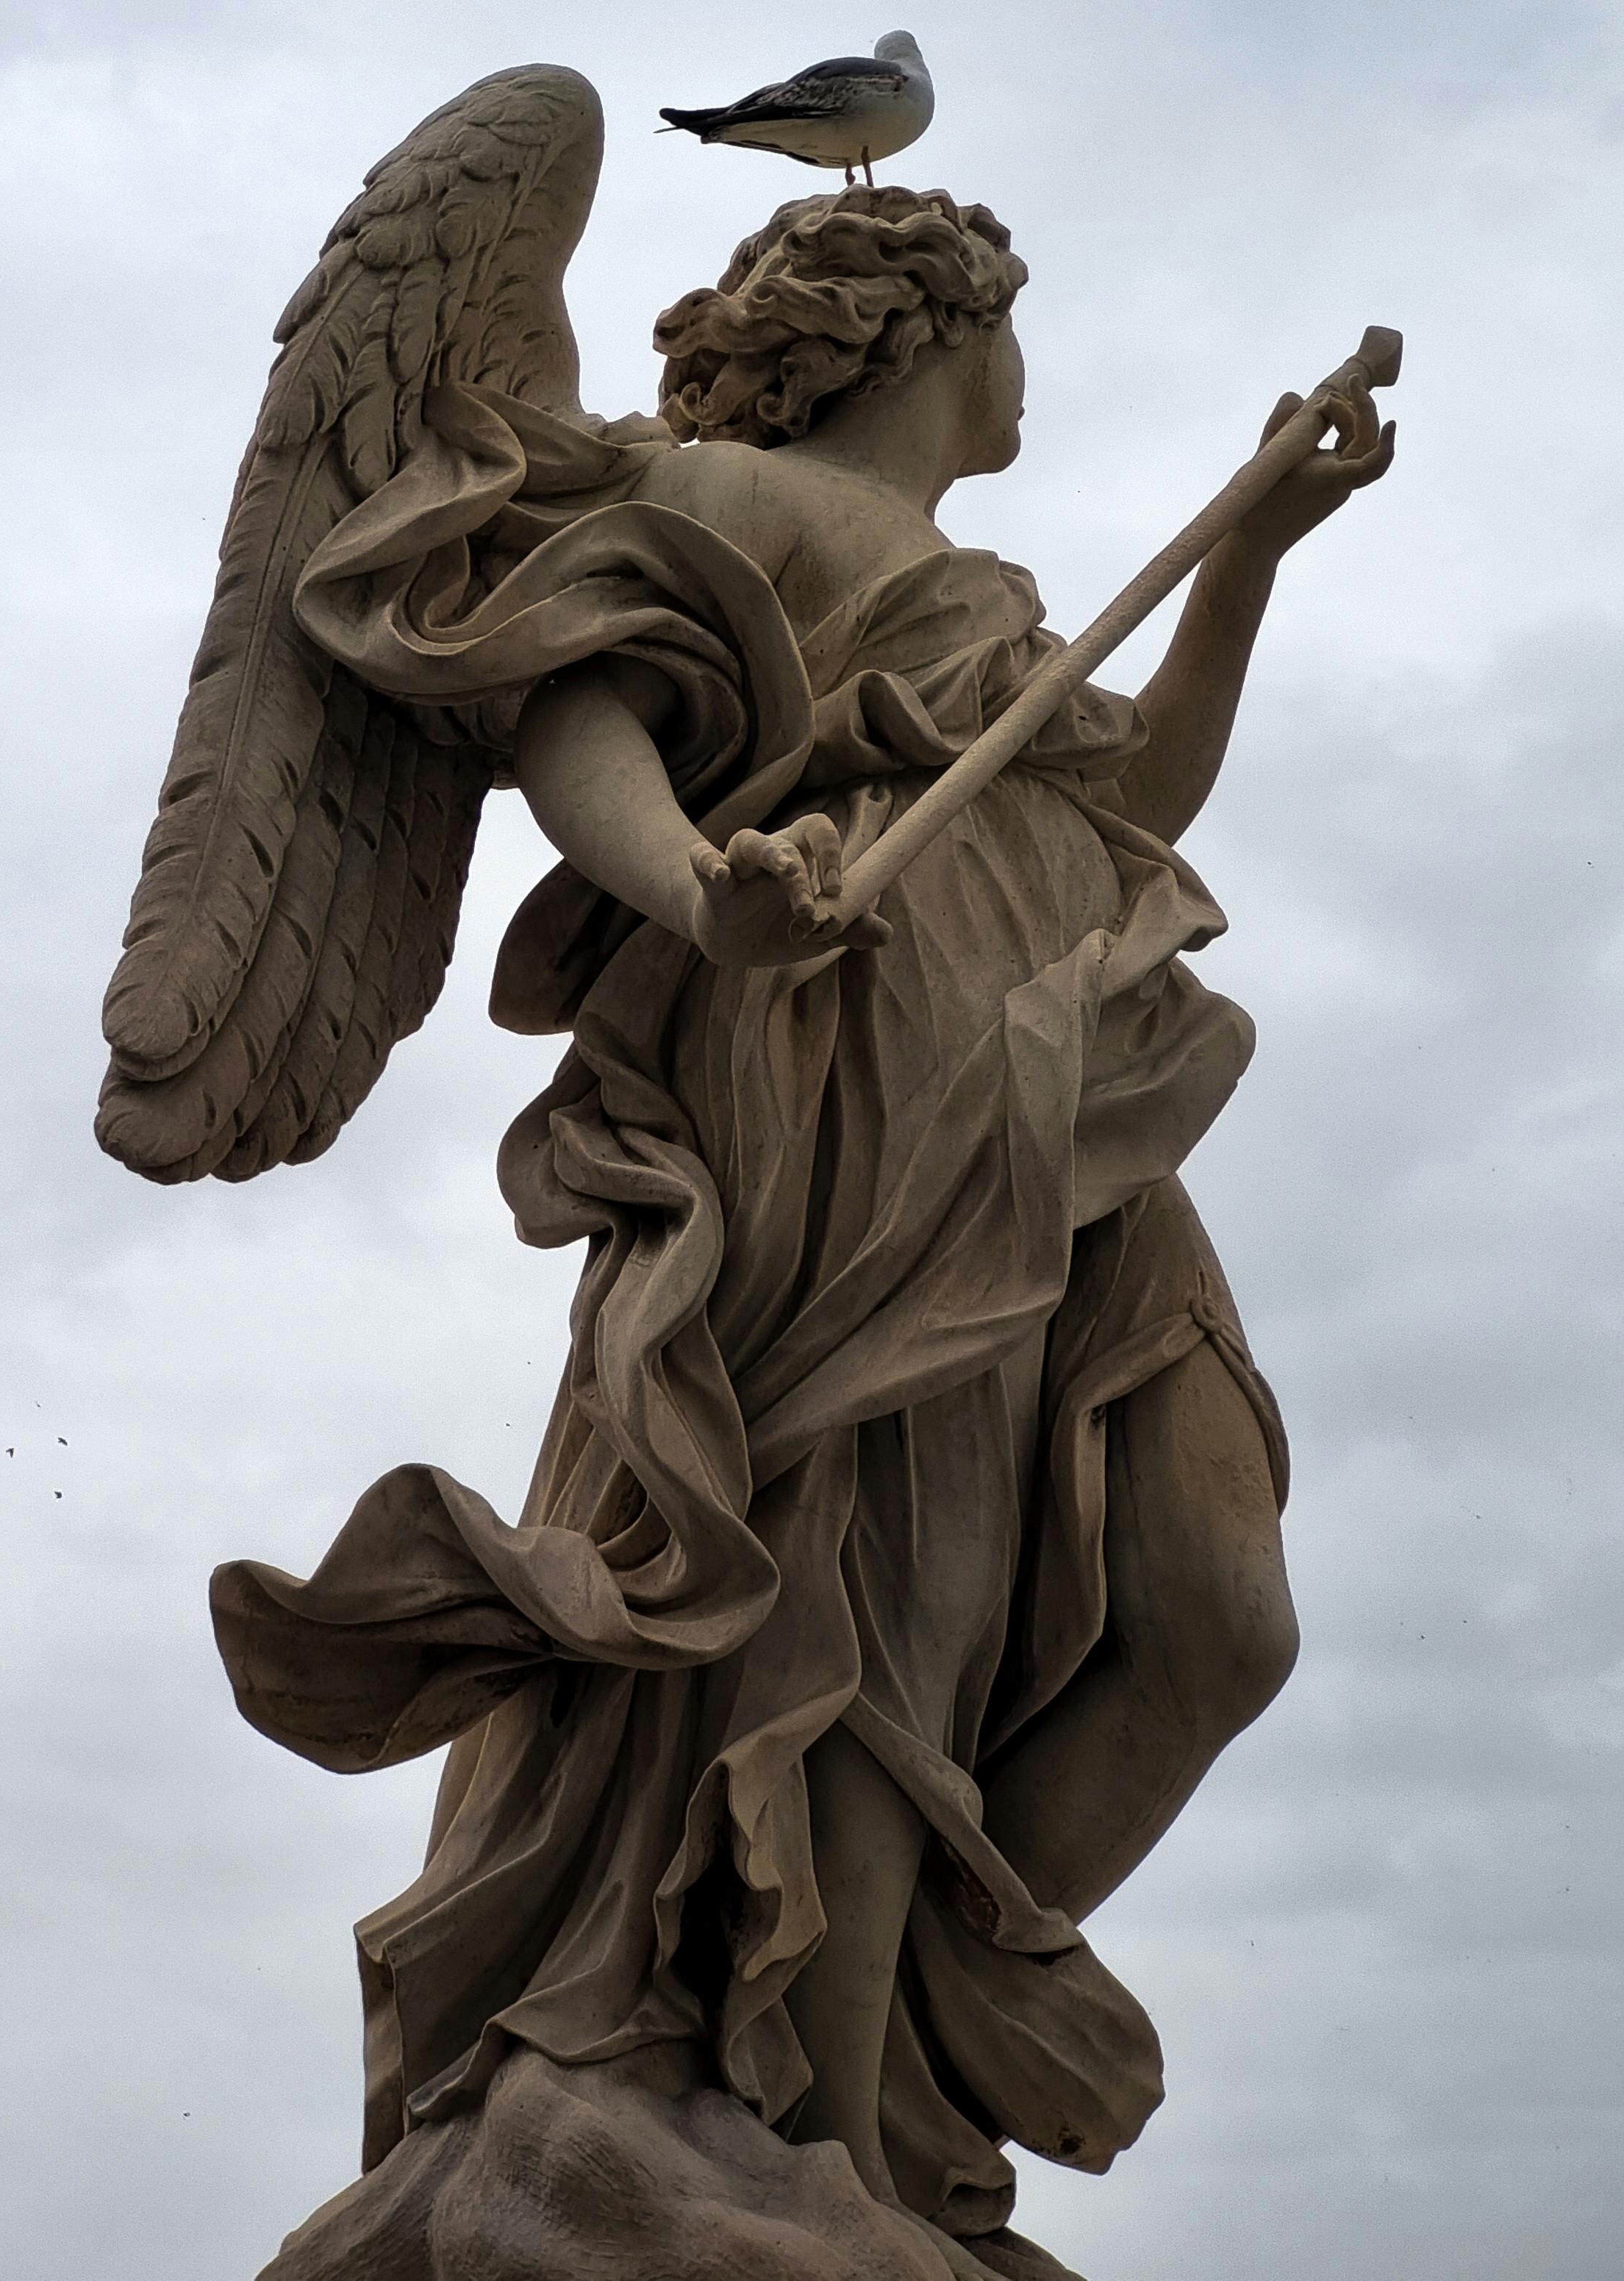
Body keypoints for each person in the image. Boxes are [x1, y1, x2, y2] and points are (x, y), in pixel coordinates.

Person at [201, 181, 1392, 2277]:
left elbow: (1135, 801)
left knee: (1212, 1609)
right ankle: (810, 2129)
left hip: (1070, 1104)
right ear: (932, 330)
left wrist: (1251, 560)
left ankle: (916, 2039)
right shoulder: (708, 491)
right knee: (854, 1606)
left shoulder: (986, 589)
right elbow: (581, 708)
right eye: (1008, 322)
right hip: (846, 1062)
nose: (1025, 367)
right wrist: (693, 887)